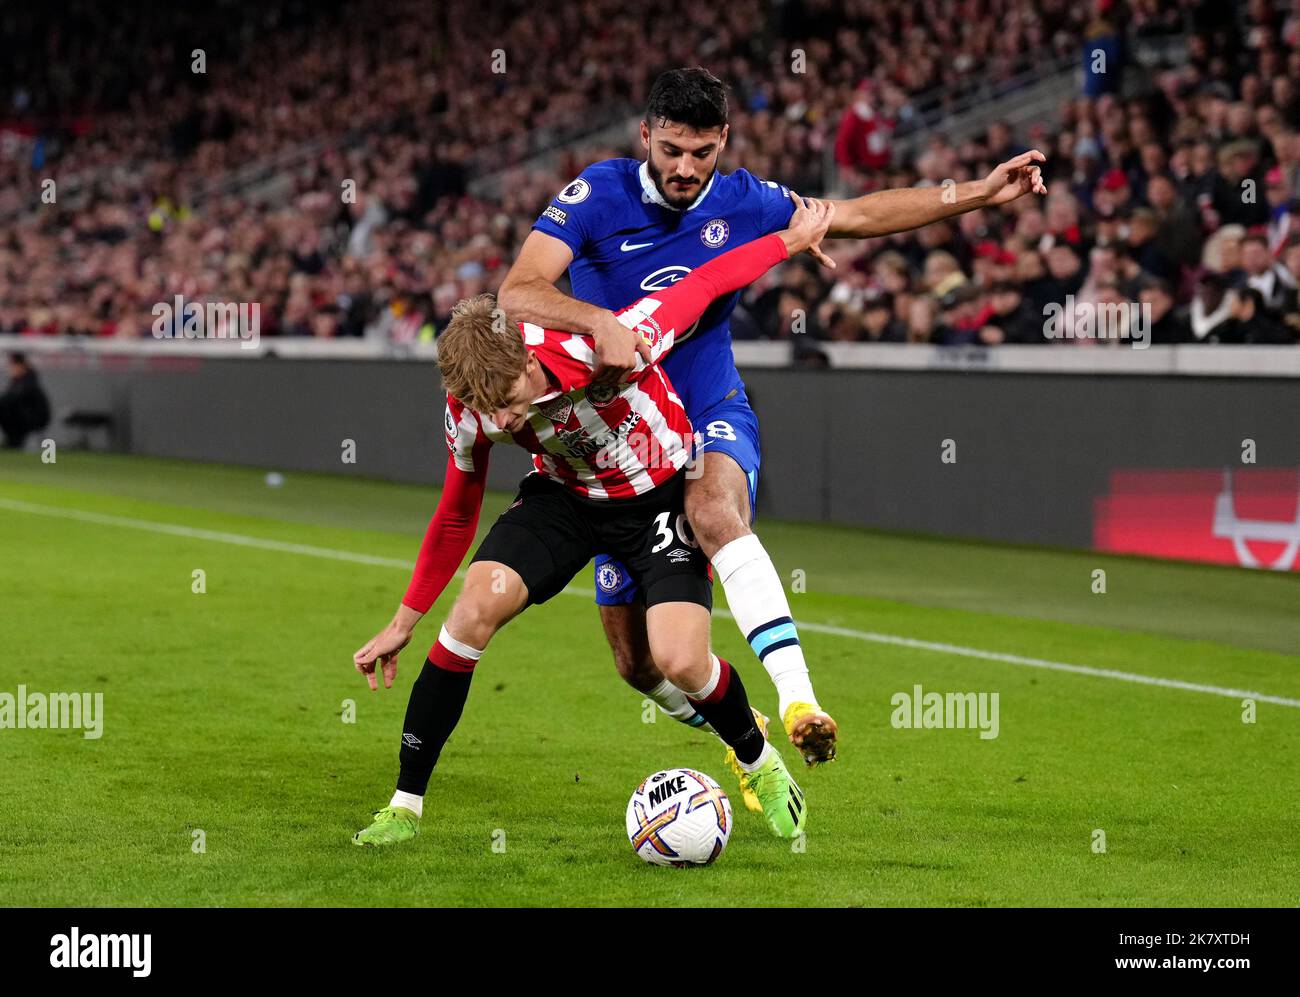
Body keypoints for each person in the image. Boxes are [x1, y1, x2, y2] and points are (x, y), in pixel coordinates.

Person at [497, 66, 1047, 787]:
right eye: (671, 151)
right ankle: (740, 727)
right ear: (645, 138)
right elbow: (517, 290)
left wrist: (977, 192)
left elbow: (854, 214)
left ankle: (799, 700)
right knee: (638, 664)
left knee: (714, 512)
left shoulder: (746, 201)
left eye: (702, 151)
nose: (686, 168)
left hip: (706, 410)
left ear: (722, 139)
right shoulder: (597, 194)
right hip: (624, 442)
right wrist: (599, 322)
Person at [350, 197, 835, 847]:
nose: (502, 423)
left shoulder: (607, 342)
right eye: (486, 410)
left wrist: (790, 240)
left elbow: (705, 282)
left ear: (527, 360)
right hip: (565, 497)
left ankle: (757, 759)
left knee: (678, 658)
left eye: (511, 404)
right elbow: (455, 512)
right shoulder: (472, 400)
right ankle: (404, 805)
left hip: (656, 495)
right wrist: (402, 620)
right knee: (470, 612)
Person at [0, 354, 51, 449]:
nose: (10, 369)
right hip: (24, 416)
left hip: (35, 417)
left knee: (5, 408)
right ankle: (12, 440)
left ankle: (14, 441)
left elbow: (14, 398)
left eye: (12, 365)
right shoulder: (17, 381)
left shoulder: (28, 381)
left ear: (20, 365)